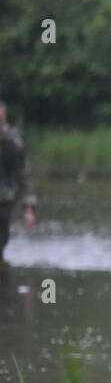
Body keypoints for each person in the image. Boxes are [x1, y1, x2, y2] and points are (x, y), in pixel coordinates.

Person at [0, 101, 36, 265]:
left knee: (3, 231)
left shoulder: (14, 143)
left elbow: (24, 175)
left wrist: (29, 208)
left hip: (5, 196)